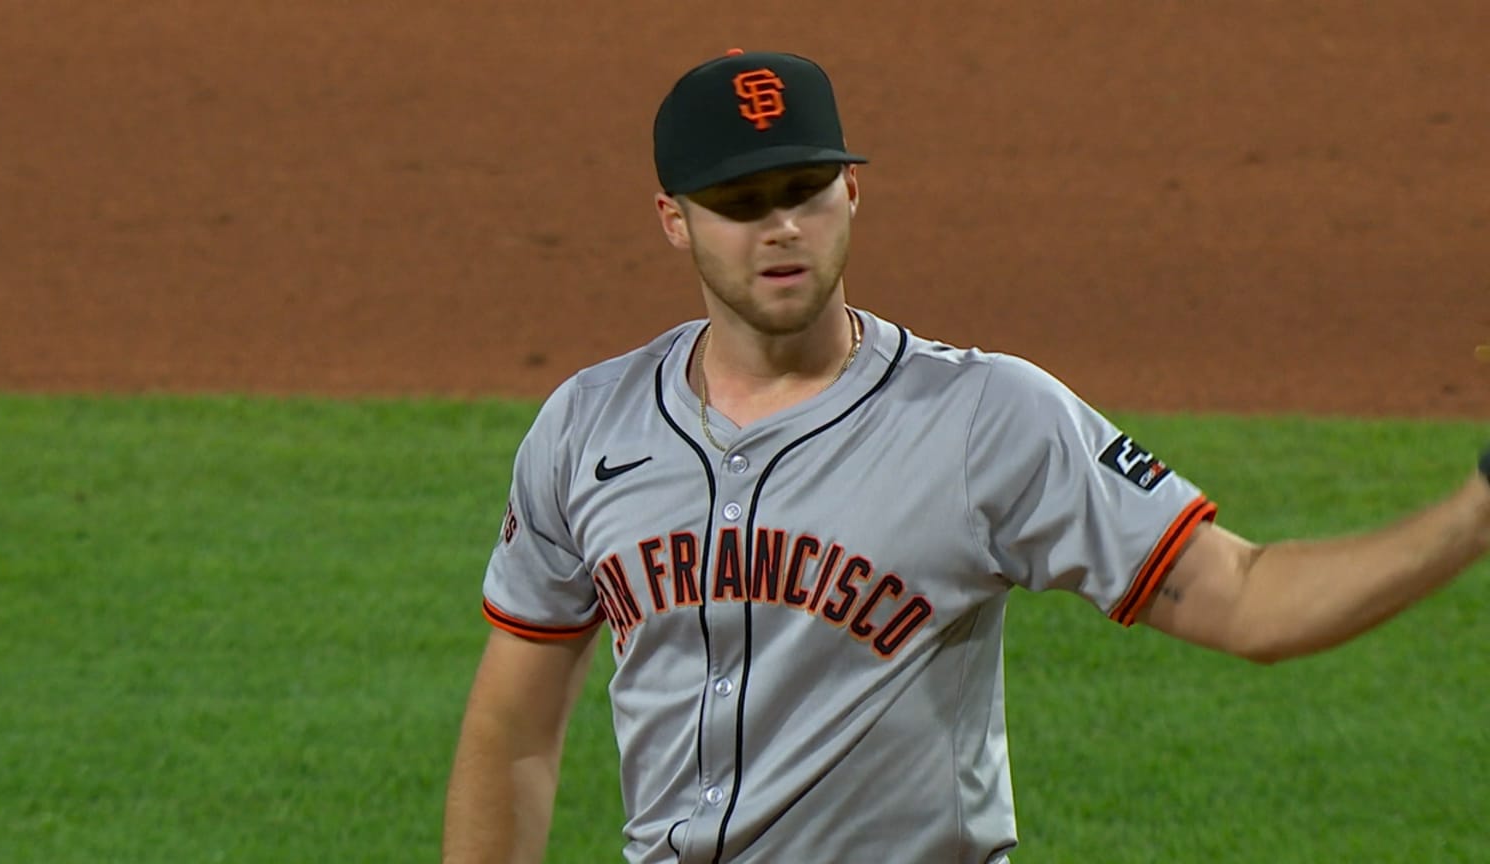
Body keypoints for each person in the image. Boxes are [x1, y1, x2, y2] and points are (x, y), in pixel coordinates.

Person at [441, 48, 1490, 864]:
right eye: (742, 204)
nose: (781, 228)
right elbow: (515, 725)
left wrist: (1476, 510)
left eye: (806, 188)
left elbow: (1249, 599)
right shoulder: (589, 427)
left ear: (854, 191)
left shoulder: (987, 417)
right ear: (675, 220)